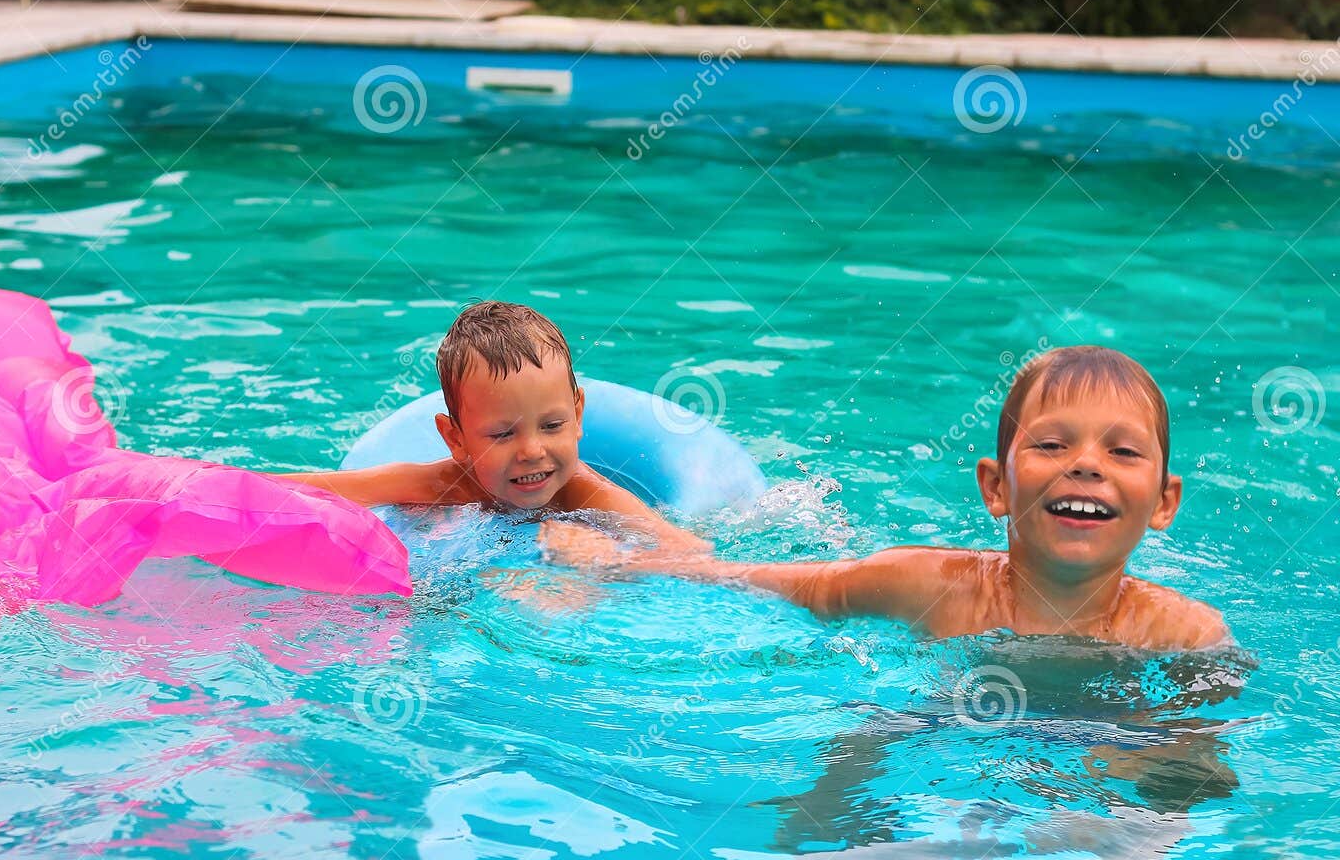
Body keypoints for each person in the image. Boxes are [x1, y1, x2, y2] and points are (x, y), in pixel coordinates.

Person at [541, 345, 1229, 652]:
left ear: (1164, 502)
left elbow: (1200, 770)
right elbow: (765, 580)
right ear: (996, 487)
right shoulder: (929, 586)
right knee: (854, 756)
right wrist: (616, 565)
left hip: (1107, 759)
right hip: (937, 732)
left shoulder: (1182, 635)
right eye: (1051, 446)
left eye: (1122, 451)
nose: (1085, 466)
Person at [281, 301, 707, 552]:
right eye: (503, 434)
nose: (532, 451)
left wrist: (607, 562)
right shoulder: (448, 484)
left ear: (578, 416)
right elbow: (324, 489)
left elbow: (688, 551)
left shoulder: (585, 494)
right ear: (456, 438)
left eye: (552, 425)